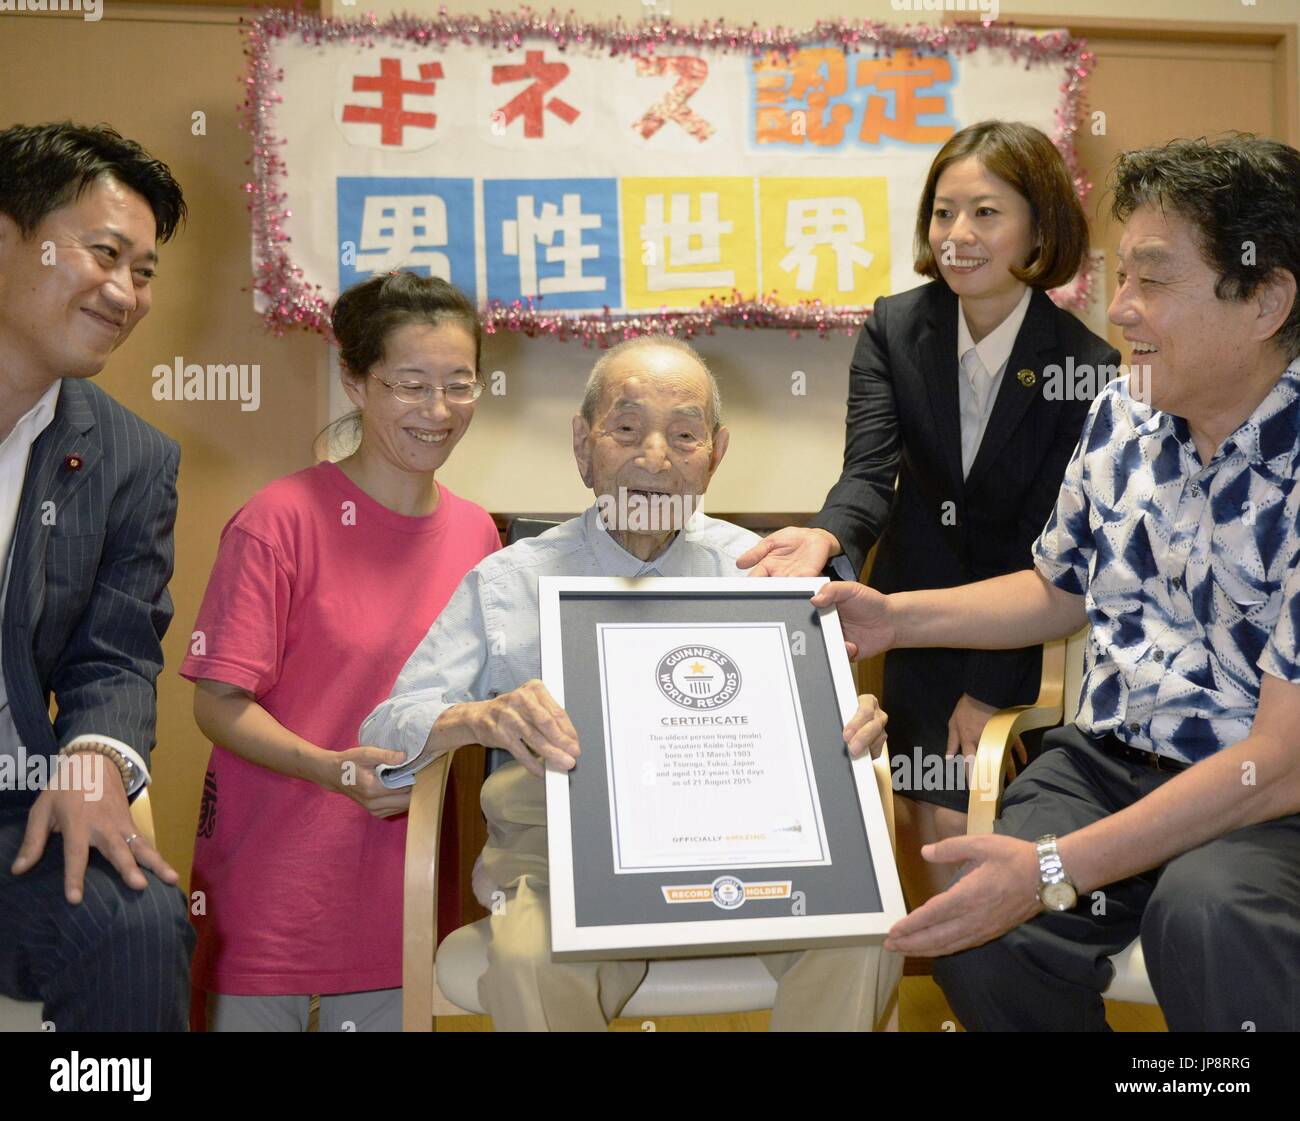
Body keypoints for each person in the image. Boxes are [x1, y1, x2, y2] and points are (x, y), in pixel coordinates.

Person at [814, 134, 1300, 1032]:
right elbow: (1057, 589)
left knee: (1209, 915)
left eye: (1153, 281)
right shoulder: (1125, 409)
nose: (1120, 311)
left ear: (1266, 299)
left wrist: (1051, 867)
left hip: (1263, 800)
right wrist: (890, 619)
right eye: (1122, 278)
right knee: (974, 920)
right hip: (1112, 761)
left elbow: (1277, 764)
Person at [361, 334, 898, 1031]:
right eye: (625, 427)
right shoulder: (511, 581)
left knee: (867, 932)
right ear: (582, 445)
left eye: (683, 434)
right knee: (527, 957)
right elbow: (384, 731)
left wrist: (853, 731)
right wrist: (480, 717)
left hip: (746, 857)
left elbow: (820, 750)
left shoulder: (766, 574)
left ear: (715, 453)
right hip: (565, 868)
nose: (654, 457)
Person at [739, 121, 1120, 906]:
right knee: (910, 831)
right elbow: (868, 473)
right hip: (905, 617)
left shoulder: (1086, 365)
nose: (957, 235)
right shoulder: (895, 327)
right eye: (944, 213)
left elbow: (1049, 546)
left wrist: (989, 690)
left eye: (985, 213)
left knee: (967, 837)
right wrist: (826, 533)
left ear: (1040, 227)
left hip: (1016, 633)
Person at [180, 272, 500, 1031]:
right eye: (410, 384)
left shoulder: (479, 536)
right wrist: (331, 767)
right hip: (274, 894)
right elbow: (218, 701)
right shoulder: (279, 520)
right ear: (355, 381)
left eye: (460, 385)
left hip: (408, 895)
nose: (439, 411)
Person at [0, 122, 192, 1031]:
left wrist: (93, 757)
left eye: (144, 271)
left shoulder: (129, 457)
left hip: (12, 808)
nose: (125, 293)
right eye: (104, 254)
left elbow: (113, 656)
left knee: (135, 921)